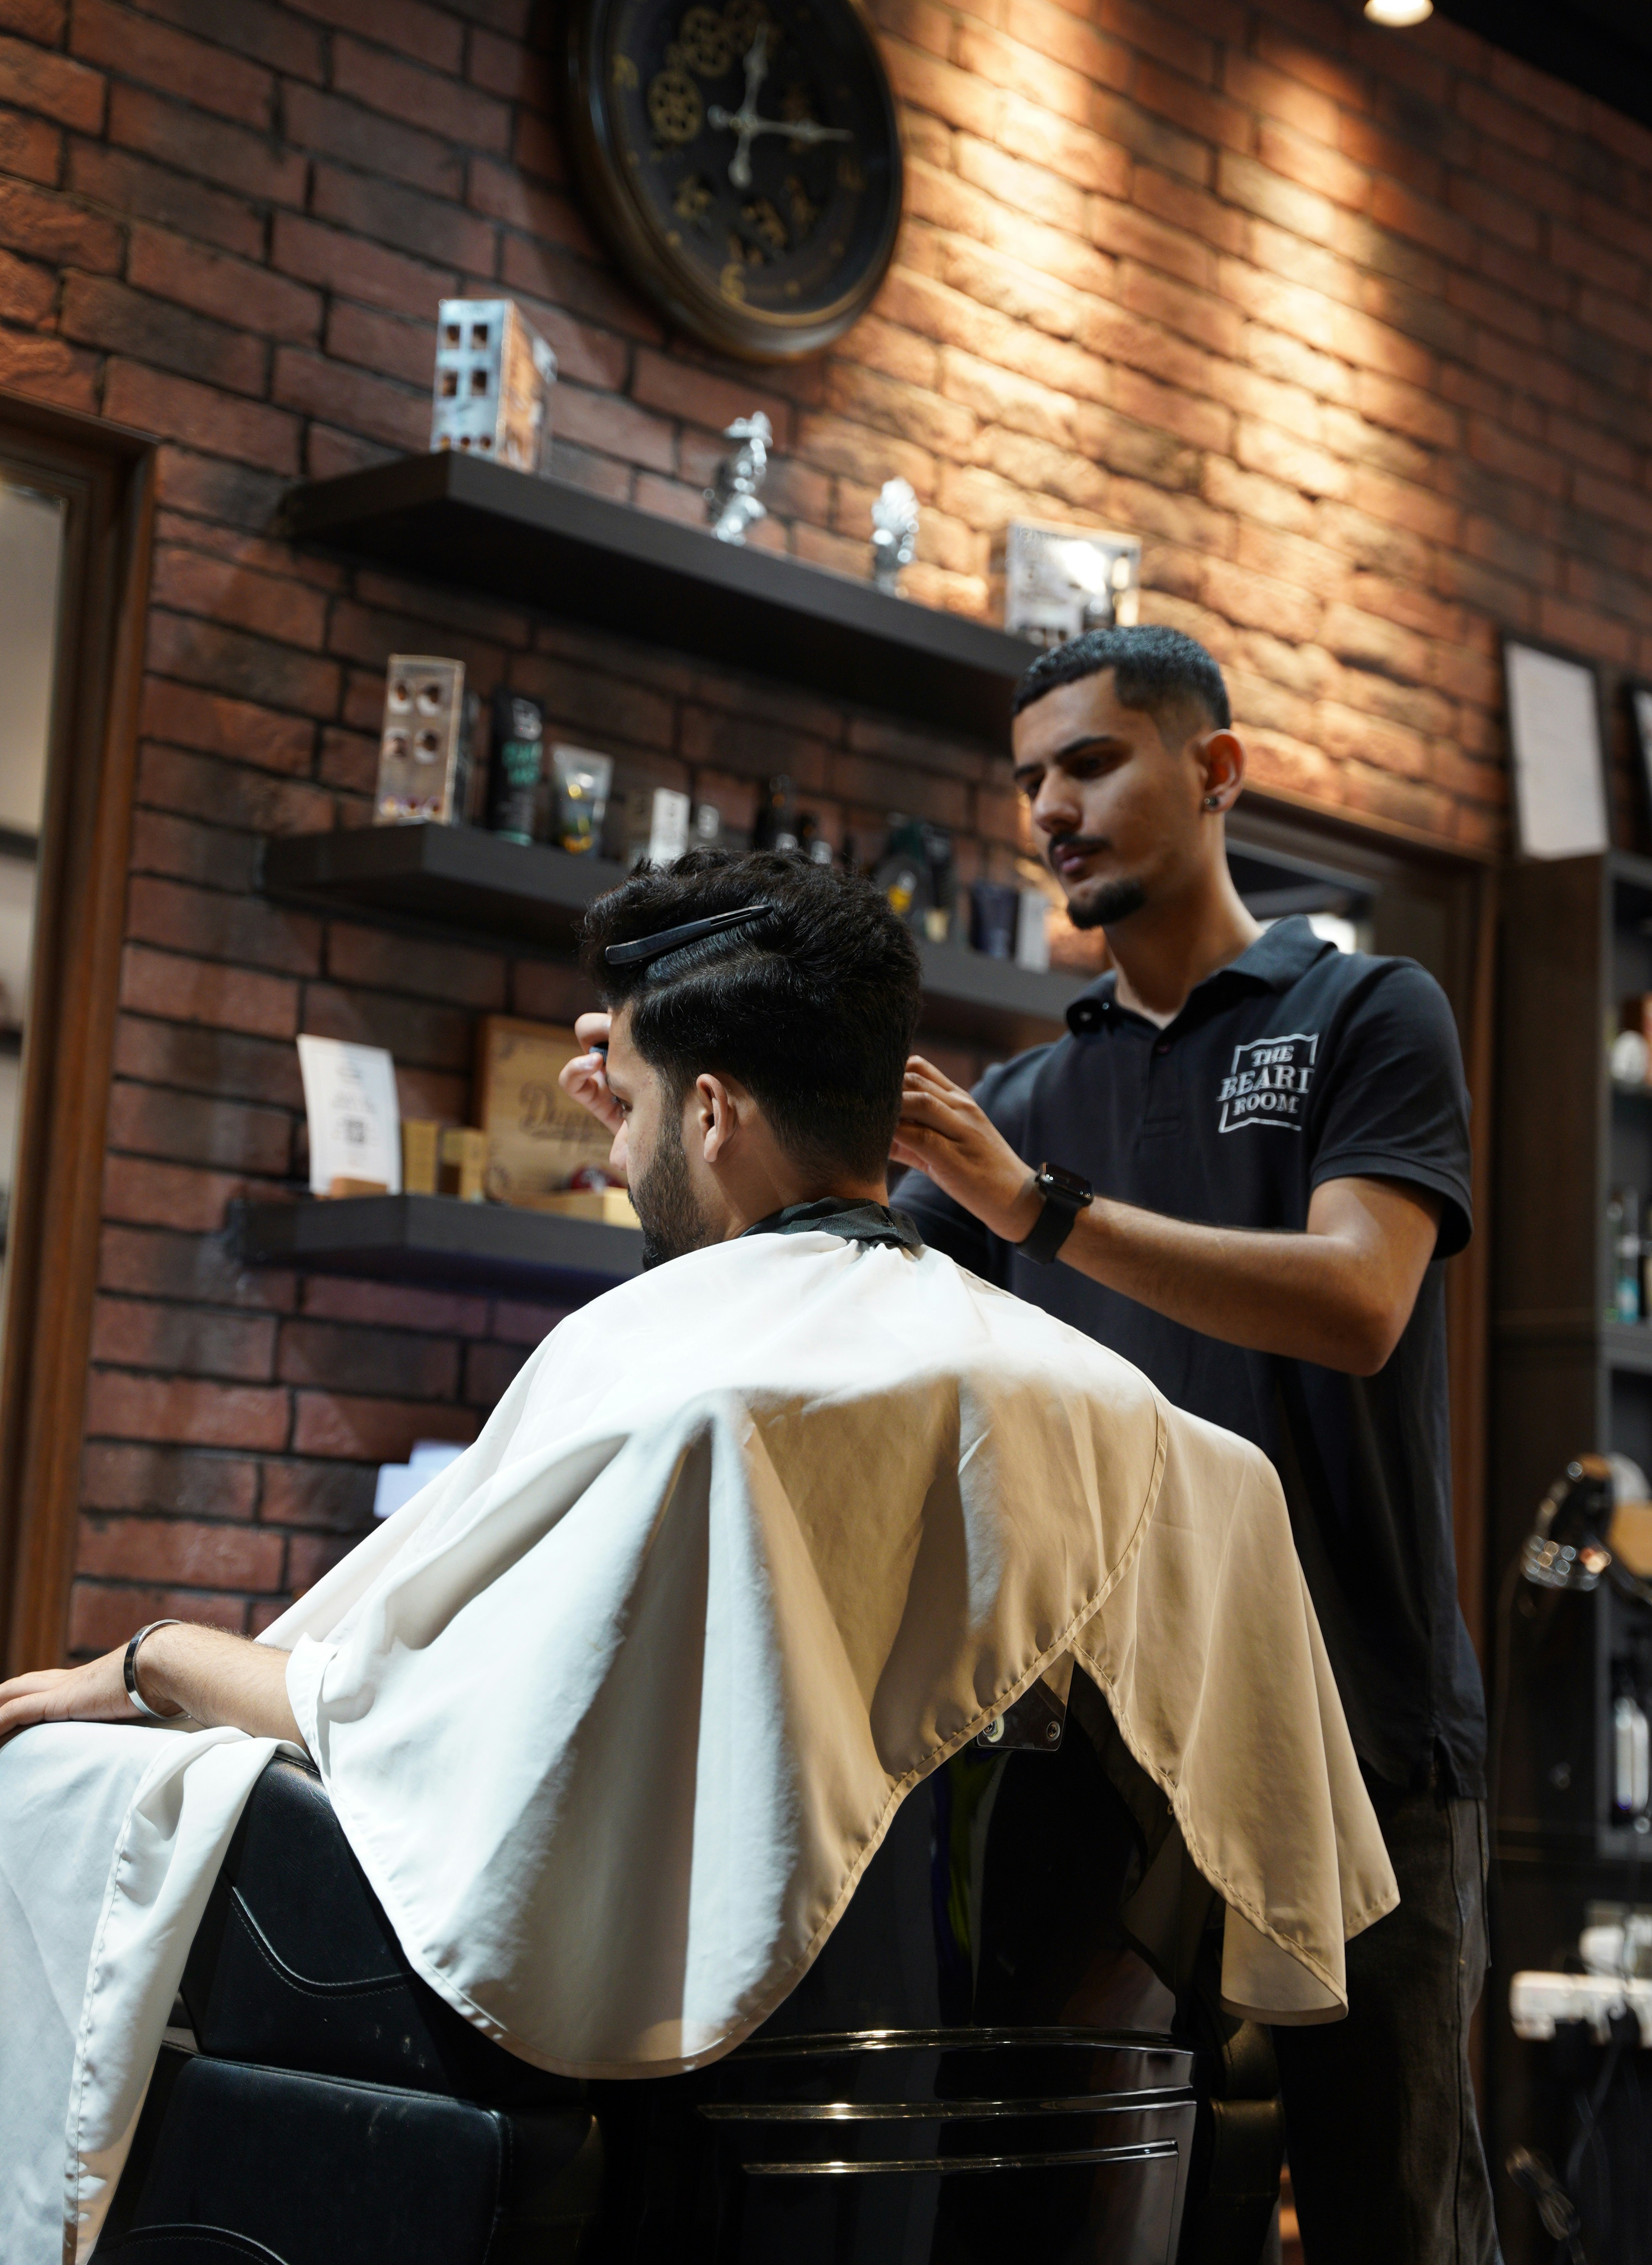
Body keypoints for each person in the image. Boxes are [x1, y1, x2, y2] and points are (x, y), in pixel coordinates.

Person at [0, 852, 1394, 2265]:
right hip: (1049, 2139)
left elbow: (430, 1734)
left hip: (693, 2123)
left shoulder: (700, 1392)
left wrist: (151, 1661)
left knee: (56, 1783)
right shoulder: (1115, 1415)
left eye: (640, 1110)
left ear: (716, 1111)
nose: (609, 1148)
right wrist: (689, 1122)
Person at [888, 624, 1497, 2265]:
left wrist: (1035, 1212)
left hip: (1357, 1727)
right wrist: (681, 1129)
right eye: (1028, 781)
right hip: (1100, 1735)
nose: (1049, 811)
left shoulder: (1366, 1009)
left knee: (1394, 2223)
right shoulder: (1026, 1092)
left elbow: (1360, 1299)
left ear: (1213, 769)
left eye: (1087, 763)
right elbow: (844, 1298)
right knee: (1047, 2209)